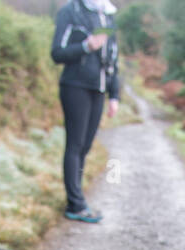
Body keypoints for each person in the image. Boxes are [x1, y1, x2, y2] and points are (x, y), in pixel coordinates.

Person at [51, 0, 120, 223]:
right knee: (75, 144)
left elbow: (113, 59)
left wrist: (115, 95)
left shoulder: (108, 15)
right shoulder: (70, 11)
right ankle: (76, 204)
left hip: (98, 89)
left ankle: (77, 198)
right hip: (75, 85)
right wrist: (86, 47)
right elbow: (57, 53)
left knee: (86, 146)